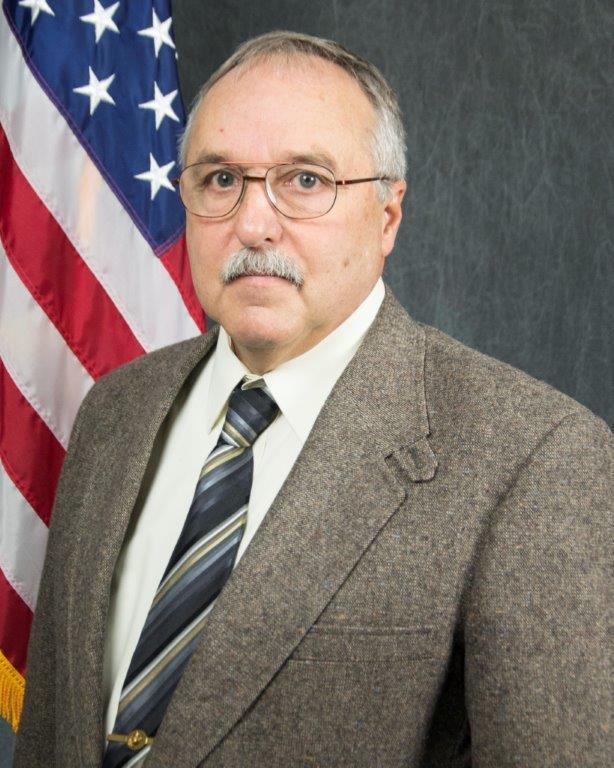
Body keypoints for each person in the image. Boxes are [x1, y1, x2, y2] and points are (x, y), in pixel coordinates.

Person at [14, 30, 612, 768]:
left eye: (305, 180)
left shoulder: (535, 459)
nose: (253, 224)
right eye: (221, 179)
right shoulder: (116, 412)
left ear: (387, 216)